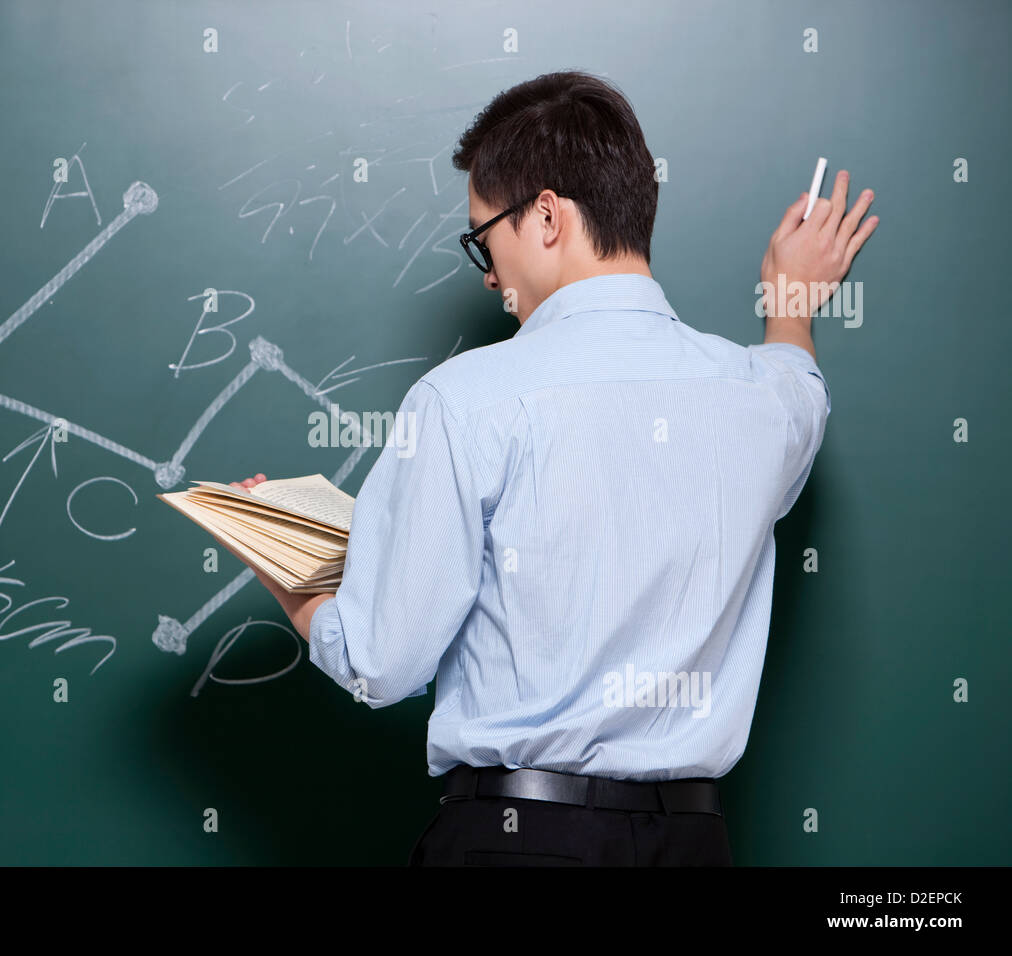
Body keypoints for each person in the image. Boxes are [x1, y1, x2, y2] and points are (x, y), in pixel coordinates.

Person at [227, 70, 877, 866]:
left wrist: (290, 575)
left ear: (544, 215)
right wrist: (791, 298)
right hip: (694, 846)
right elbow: (799, 382)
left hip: (517, 842)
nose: (491, 275)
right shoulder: (758, 400)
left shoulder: (463, 400)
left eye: (482, 240)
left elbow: (381, 663)